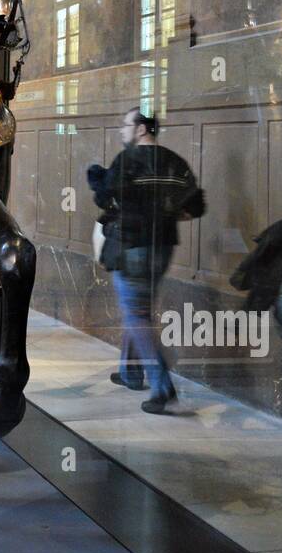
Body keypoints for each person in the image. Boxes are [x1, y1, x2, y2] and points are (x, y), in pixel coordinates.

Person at [87, 108, 205, 414]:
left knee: (137, 315)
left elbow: (103, 199)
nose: (122, 131)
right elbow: (196, 205)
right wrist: (167, 216)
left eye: (126, 125)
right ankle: (130, 372)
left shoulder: (127, 161)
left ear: (141, 129)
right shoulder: (175, 161)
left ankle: (162, 386)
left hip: (131, 246)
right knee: (138, 310)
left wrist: (97, 180)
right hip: (163, 247)